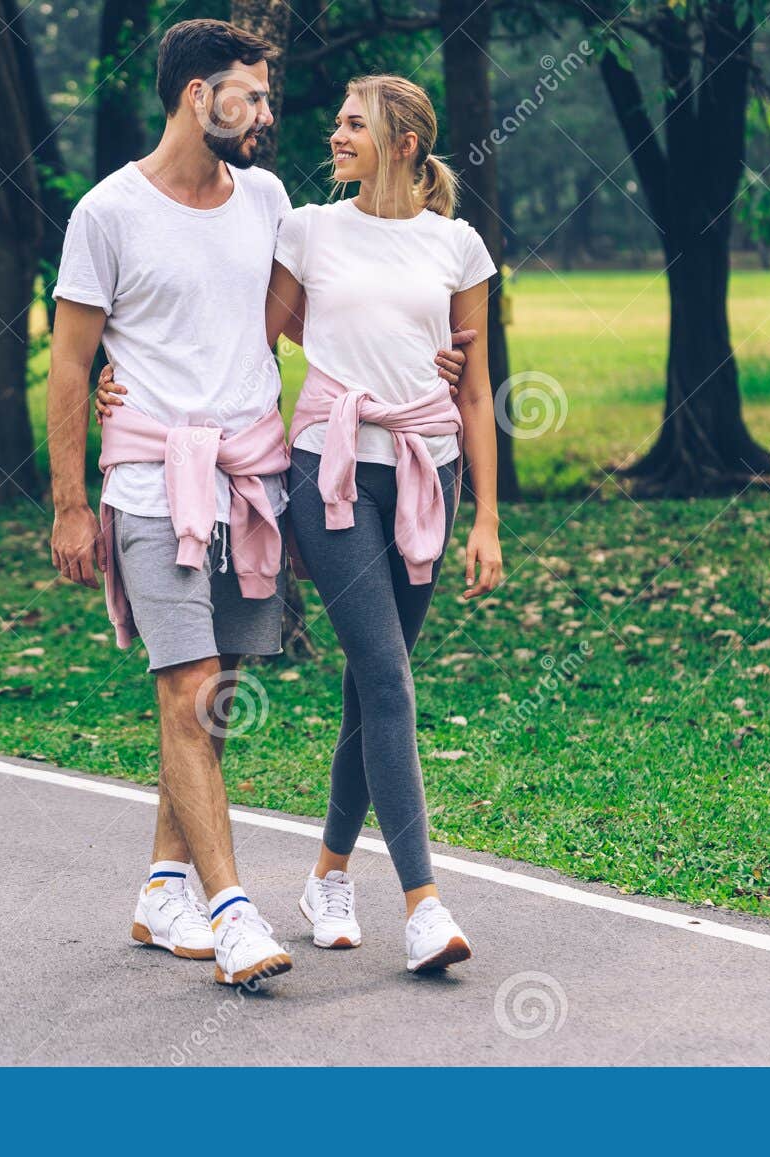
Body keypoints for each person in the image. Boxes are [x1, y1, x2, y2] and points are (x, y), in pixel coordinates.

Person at [53, 22, 468, 987]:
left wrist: (423, 364)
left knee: (215, 695)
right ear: (200, 96)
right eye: (253, 94)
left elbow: (323, 316)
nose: (269, 114)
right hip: (153, 478)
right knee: (190, 685)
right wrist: (71, 502)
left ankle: (164, 885)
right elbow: (71, 361)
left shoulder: (271, 201)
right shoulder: (107, 212)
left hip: (249, 478)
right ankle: (233, 910)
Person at [269, 75, 504, 972]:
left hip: (427, 473)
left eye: (354, 124)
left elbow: (475, 390)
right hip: (329, 470)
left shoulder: (458, 245)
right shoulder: (309, 228)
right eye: (336, 123)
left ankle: (328, 875)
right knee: (390, 679)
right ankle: (423, 904)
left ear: (403, 143)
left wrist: (487, 518)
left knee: (373, 687)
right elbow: (262, 339)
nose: (336, 135)